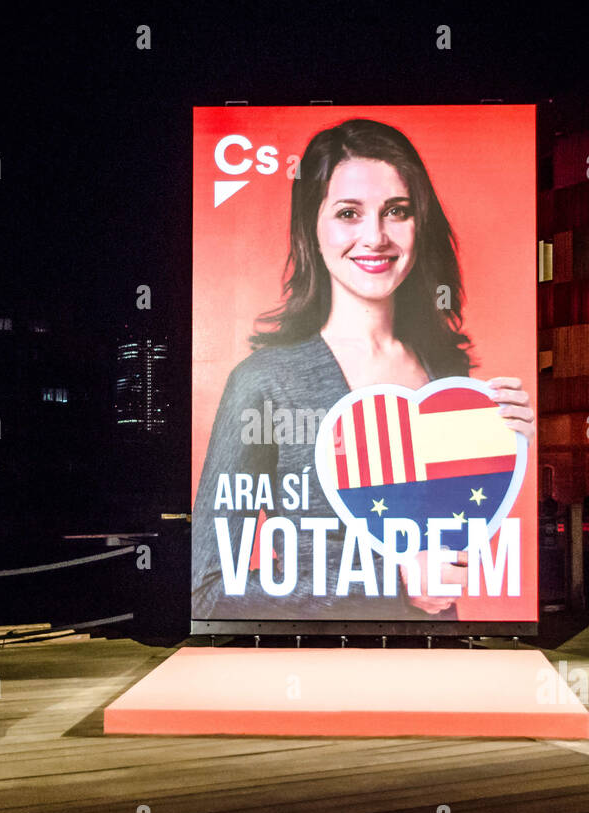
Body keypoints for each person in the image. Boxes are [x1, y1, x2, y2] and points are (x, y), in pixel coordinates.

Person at [191, 118, 534, 620]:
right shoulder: (263, 382)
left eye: (397, 211)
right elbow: (207, 588)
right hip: (317, 676)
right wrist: (388, 578)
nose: (375, 237)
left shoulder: (448, 377)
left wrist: (508, 441)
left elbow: (457, 541)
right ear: (313, 226)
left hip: (433, 668)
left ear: (421, 224)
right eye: (348, 213)